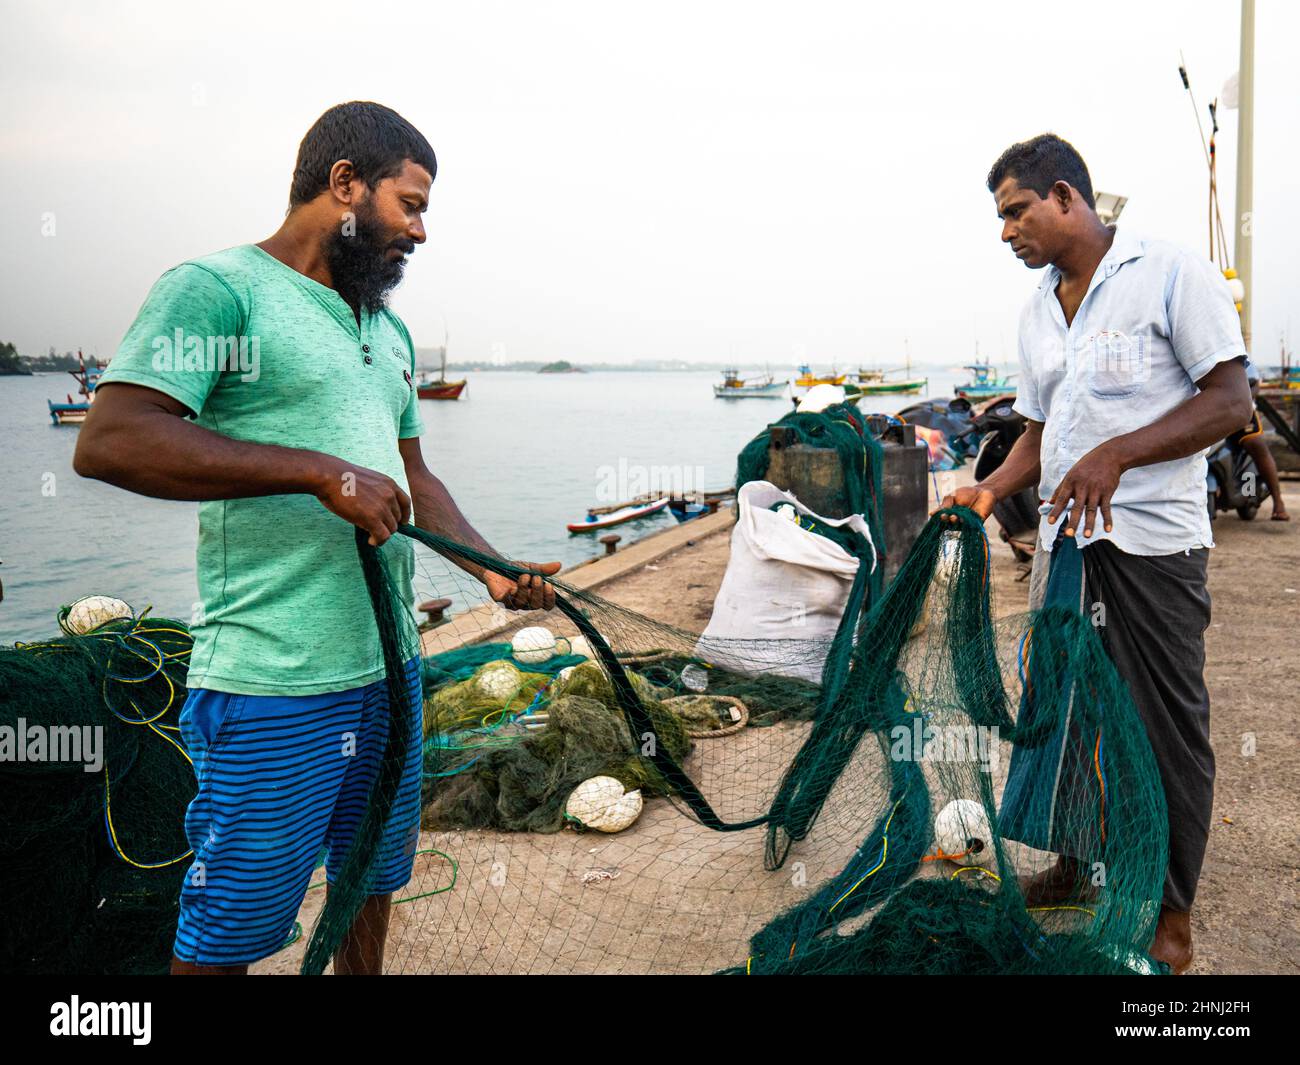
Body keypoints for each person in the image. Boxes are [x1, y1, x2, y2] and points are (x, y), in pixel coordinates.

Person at [74, 101, 560, 975]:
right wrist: (319, 472)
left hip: (391, 668)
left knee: (372, 878)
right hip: (275, 684)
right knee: (231, 925)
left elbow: (413, 477)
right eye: (409, 204)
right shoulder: (219, 288)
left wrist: (491, 569)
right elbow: (111, 438)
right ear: (344, 185)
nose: (419, 230)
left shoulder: (389, 328)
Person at [942, 133, 1254, 974]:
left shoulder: (1168, 273)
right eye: (1000, 217)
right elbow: (1043, 431)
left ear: (1067, 197)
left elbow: (1231, 401)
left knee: (1163, 731)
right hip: (1065, 544)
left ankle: (1170, 914)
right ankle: (1077, 865)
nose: (1006, 230)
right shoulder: (1039, 307)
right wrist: (989, 486)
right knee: (1067, 709)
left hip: (1150, 546)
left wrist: (1118, 454)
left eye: (1016, 210)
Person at [1232, 358, 1289, 520]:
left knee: (1256, 445)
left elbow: (1255, 384)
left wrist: (1243, 401)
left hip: (1241, 414)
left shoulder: (1239, 355)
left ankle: (1278, 502)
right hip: (1213, 416)